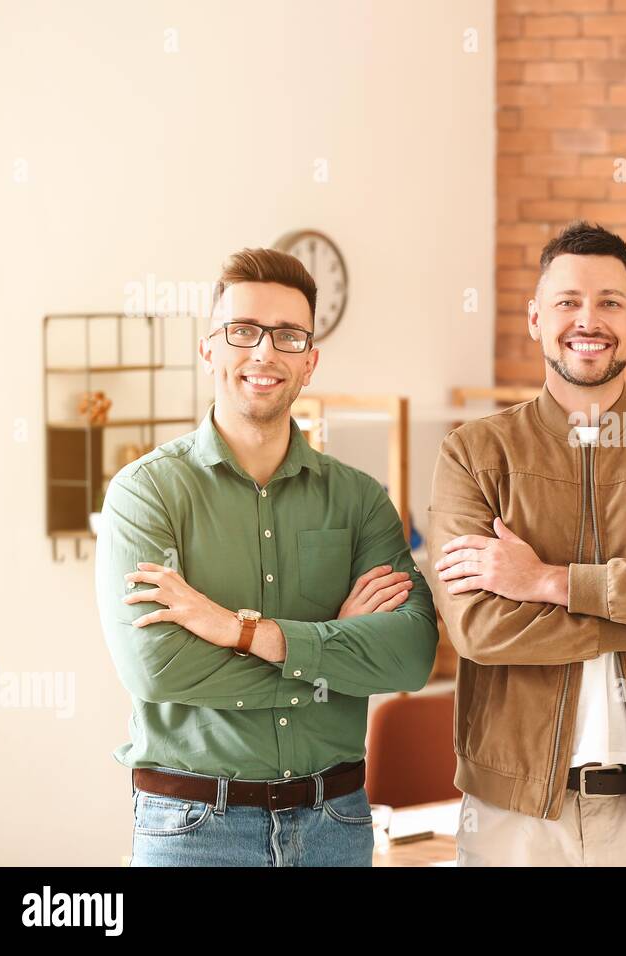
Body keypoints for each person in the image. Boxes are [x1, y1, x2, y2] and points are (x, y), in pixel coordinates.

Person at [424, 221, 626, 866]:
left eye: (610, 302)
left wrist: (545, 580)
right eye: (568, 302)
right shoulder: (474, 453)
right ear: (536, 318)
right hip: (512, 817)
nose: (589, 320)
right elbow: (479, 627)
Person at [96, 247, 438, 866]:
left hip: (336, 823)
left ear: (310, 362)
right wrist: (332, 651)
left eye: (287, 336)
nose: (264, 352)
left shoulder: (360, 500)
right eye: (243, 331)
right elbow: (158, 669)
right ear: (209, 350)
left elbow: (411, 656)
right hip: (194, 828)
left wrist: (238, 631)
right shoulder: (147, 494)